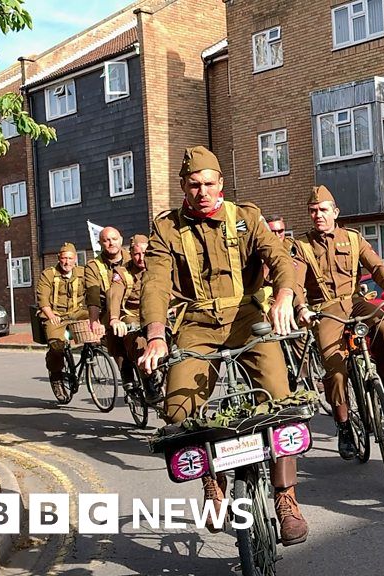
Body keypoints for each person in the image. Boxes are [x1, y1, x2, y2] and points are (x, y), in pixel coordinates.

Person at [137, 145, 308, 544]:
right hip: (196, 323)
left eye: (209, 183)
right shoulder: (165, 229)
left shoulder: (246, 217)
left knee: (279, 400)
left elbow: (279, 256)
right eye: (194, 184)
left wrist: (284, 294)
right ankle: (212, 483)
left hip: (249, 320)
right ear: (182, 185)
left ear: (222, 184)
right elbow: (156, 283)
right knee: (178, 410)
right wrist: (156, 335)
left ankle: (286, 498)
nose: (202, 191)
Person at [293, 185, 384, 460]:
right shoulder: (301, 246)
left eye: (322, 210)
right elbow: (295, 281)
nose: (317, 215)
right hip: (325, 309)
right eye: (313, 211)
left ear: (335, 212)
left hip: (354, 300)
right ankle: (344, 426)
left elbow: (377, 265)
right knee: (334, 367)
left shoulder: (353, 239)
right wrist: (300, 307)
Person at [107, 234, 158, 403]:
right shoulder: (122, 273)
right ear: (131, 253)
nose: (140, 258)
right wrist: (115, 318)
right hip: (131, 315)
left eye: (144, 253)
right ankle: (148, 383)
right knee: (139, 343)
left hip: (155, 312)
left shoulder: (158, 268)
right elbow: (114, 295)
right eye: (136, 254)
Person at [35, 243, 88, 403]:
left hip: (76, 312)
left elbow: (93, 291)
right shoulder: (49, 274)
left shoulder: (82, 273)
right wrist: (50, 315)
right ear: (59, 258)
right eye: (64, 258)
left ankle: (94, 352)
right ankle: (56, 375)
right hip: (55, 315)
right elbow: (42, 299)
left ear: (75, 259)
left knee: (98, 323)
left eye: (70, 258)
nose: (67, 262)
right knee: (56, 346)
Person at [84, 226, 128, 378]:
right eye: (106, 240)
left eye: (114, 239)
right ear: (100, 243)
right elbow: (93, 296)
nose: (111, 243)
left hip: (134, 309)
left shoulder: (133, 258)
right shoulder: (93, 266)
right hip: (108, 312)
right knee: (116, 339)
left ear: (121, 240)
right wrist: (94, 321)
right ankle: (127, 379)